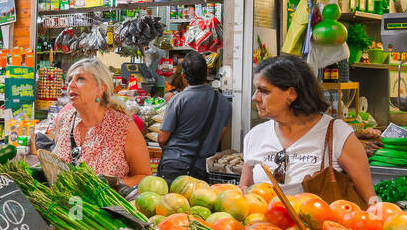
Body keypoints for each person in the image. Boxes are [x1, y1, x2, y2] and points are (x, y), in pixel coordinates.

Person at [239, 54, 379, 205]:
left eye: (264, 91)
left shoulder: (336, 133)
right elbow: (244, 191)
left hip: (320, 226)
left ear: (291, 94)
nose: (255, 97)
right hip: (264, 227)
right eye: (256, 90)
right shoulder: (255, 136)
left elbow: (370, 200)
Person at [50, 57, 152, 185]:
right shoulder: (64, 120)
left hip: (104, 203)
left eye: (80, 79)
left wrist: (114, 186)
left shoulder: (122, 126)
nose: (71, 85)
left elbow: (144, 176)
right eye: (69, 79)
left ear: (100, 88)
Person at [156, 52, 231, 183]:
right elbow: (219, 136)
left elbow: (162, 139)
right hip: (203, 170)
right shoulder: (224, 102)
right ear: (207, 72)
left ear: (183, 76)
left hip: (174, 166)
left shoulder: (178, 100)